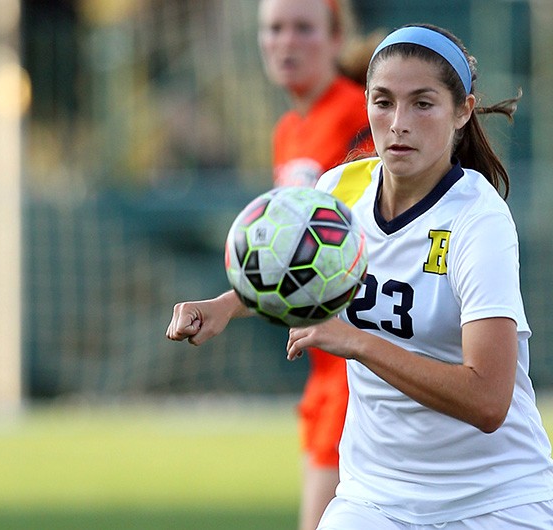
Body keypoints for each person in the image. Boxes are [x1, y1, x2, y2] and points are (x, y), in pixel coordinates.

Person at [168, 22, 553, 530]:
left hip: (494, 503)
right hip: (375, 500)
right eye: (383, 102)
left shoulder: (479, 219)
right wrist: (224, 306)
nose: (398, 123)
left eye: (422, 104)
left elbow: (488, 401)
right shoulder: (339, 188)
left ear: (463, 111)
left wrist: (358, 343)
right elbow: (291, 270)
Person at [170, 2, 375, 529]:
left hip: (364, 363)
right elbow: (298, 261)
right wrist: (226, 305)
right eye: (274, 29)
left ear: (335, 38)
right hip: (324, 363)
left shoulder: (357, 114)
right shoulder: (289, 129)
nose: (286, 42)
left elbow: (365, 241)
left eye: (303, 28)